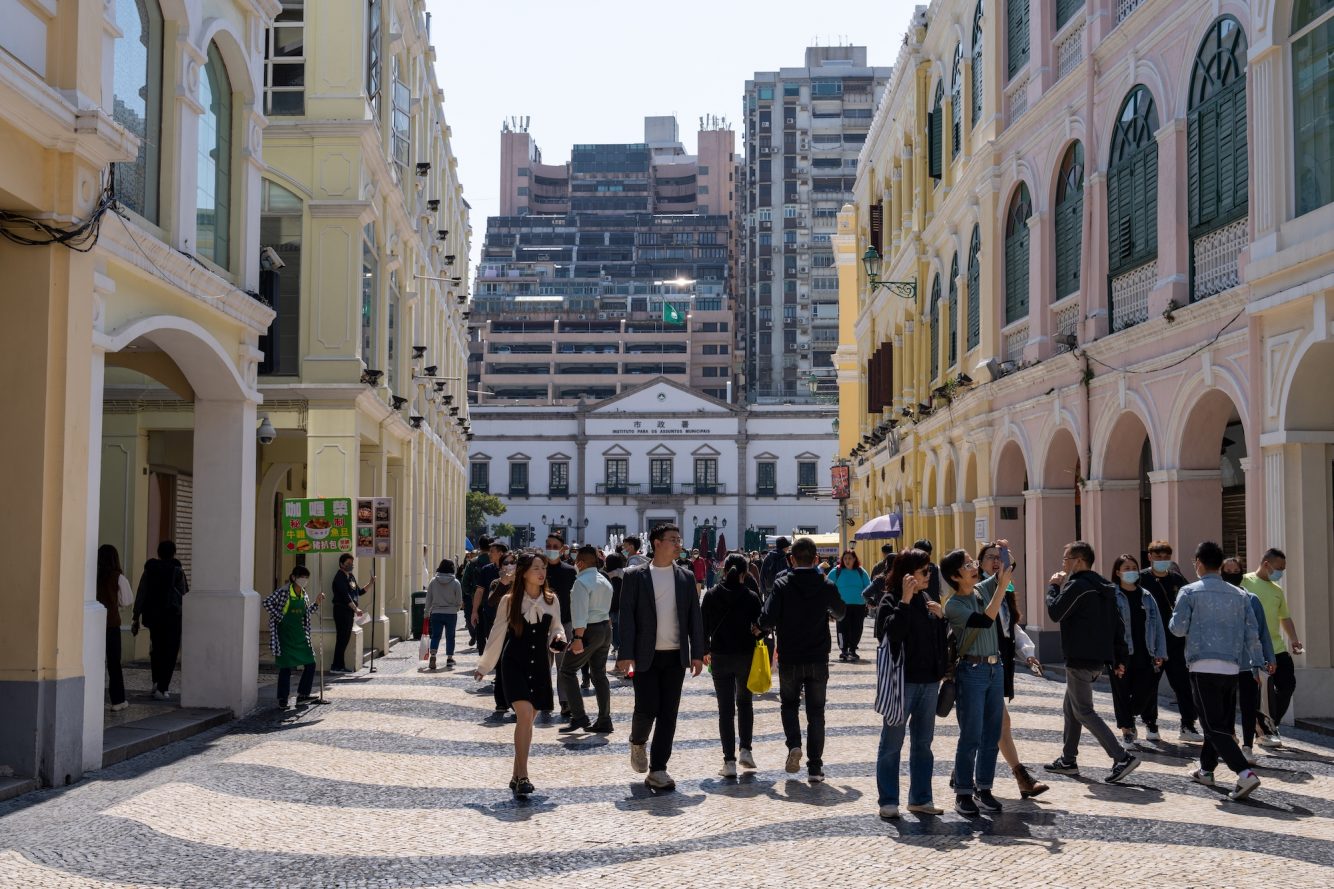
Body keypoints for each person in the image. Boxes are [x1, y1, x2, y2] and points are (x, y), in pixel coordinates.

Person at [1169, 540, 1271, 801]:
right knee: (1221, 723)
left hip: (1203, 665)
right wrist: (1258, 666)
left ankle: (1244, 773)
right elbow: (1253, 634)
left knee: (1213, 726)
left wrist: (1176, 616)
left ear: (1199, 564)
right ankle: (1206, 769)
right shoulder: (1240, 595)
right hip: (1233, 667)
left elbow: (1177, 629)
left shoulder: (1189, 592)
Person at [616, 523, 705, 791]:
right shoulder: (635, 576)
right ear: (656, 543)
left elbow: (694, 618)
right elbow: (627, 618)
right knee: (647, 707)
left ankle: (658, 769)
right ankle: (638, 741)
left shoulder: (686, 577)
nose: (679, 544)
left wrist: (698, 653)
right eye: (673, 540)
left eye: (679, 539)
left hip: (676, 656)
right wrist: (625, 654)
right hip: (646, 655)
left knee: (669, 713)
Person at [1043, 540, 1140, 783]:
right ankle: (1068, 760)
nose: (1063, 564)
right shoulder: (1104, 587)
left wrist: (1054, 587)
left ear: (1078, 561)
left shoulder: (1078, 586)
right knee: (1071, 708)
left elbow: (1056, 612)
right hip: (1098, 658)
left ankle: (1121, 757)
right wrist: (1119, 657)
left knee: (1084, 711)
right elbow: (1118, 624)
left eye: (1066, 559)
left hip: (1080, 657)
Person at [474, 551, 565, 799]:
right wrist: (484, 666)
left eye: (543, 568)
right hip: (514, 662)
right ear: (524, 572)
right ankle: (524, 776)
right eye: (536, 567)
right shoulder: (510, 600)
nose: (541, 572)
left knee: (528, 721)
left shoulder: (551, 600)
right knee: (524, 715)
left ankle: (515, 776)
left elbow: (556, 628)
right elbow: (497, 633)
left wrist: (558, 639)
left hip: (540, 666)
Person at [760, 537, 846, 783]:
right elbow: (840, 612)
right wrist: (827, 610)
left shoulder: (782, 584)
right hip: (818, 656)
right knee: (816, 712)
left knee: (789, 705)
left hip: (790, 656)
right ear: (816, 560)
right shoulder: (826, 584)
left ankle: (794, 745)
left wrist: (760, 627)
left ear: (791, 559)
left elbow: (768, 617)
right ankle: (815, 767)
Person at [874, 548, 948, 819]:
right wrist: (903, 602)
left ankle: (920, 798)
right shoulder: (890, 600)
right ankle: (888, 800)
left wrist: (941, 620)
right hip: (901, 683)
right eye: (924, 571)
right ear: (908, 575)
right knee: (892, 742)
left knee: (923, 744)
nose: (929, 575)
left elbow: (937, 640)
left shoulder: (928, 599)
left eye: (929, 570)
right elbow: (890, 634)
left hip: (929, 683)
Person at [975, 541, 1049, 799]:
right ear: (980, 563)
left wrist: (1028, 655)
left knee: (985, 726)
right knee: (1000, 724)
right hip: (979, 668)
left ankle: (962, 775)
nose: (996, 561)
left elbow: (1011, 628)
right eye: (990, 557)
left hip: (1000, 668)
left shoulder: (1005, 591)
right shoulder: (976, 591)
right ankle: (1021, 777)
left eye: (1000, 557)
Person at [940, 548, 1011, 815]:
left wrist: (1003, 550)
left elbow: (1008, 566)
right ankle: (963, 792)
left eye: (972, 562)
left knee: (992, 733)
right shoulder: (954, 605)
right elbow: (985, 620)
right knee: (970, 734)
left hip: (995, 668)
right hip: (972, 670)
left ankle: (985, 787)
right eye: (967, 564)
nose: (973, 566)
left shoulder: (981, 589)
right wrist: (1002, 588)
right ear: (955, 576)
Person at [702, 553, 764, 778]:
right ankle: (745, 749)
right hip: (745, 655)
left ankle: (729, 762)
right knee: (745, 704)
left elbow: (702, 626)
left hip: (720, 656)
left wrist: (704, 650)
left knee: (725, 710)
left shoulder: (711, 595)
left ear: (723, 570)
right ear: (745, 573)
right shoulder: (751, 596)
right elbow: (762, 626)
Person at [1241, 548, 1304, 748]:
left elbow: (1284, 617)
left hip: (1277, 648)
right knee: (1262, 692)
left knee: (1287, 685)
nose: (1281, 573)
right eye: (1279, 568)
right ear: (1266, 564)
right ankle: (1265, 728)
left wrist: (1294, 639)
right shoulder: (1244, 582)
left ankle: (1269, 724)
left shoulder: (1277, 590)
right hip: (1255, 649)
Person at [1140, 540, 1200, 741]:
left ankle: (1188, 725)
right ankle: (1150, 724)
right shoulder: (1141, 579)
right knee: (1150, 685)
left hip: (1175, 641)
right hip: (1152, 642)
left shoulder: (1177, 579)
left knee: (1182, 684)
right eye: (1158, 557)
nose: (1162, 561)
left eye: (1166, 557)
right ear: (1149, 557)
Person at [1108, 554, 1167, 745]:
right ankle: (1127, 730)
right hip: (1121, 654)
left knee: (1146, 690)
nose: (1131, 571)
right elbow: (1106, 627)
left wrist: (1160, 652)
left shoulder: (1147, 596)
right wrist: (1111, 656)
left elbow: (1158, 625)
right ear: (1117, 572)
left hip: (1145, 652)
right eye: (1126, 568)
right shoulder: (1111, 596)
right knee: (1121, 692)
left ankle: (1131, 715)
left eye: (1134, 567)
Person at [557, 545, 615, 734]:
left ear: (580, 563)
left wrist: (578, 637)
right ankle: (604, 719)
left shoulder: (581, 582)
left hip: (588, 631)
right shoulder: (604, 580)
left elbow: (580, 613)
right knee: (599, 674)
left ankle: (579, 717)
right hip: (605, 628)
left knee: (567, 670)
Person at [1224, 557, 1275, 764]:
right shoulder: (1217, 599)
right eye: (1228, 570)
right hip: (1225, 662)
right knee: (1225, 704)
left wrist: (1269, 657)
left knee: (1248, 706)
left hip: (1249, 663)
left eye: (1236, 570)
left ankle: (1247, 746)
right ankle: (1229, 737)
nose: (1232, 573)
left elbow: (1263, 631)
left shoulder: (1252, 599)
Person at [131, 540, 189, 699]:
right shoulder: (177, 570)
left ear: (159, 553)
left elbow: (141, 592)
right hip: (172, 616)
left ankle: (156, 682)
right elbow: (184, 593)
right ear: (174, 552)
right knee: (170, 651)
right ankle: (163, 688)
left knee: (156, 649)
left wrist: (136, 615)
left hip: (154, 617)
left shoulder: (150, 569)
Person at [264, 565, 324, 708]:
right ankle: (283, 699)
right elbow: (267, 603)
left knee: (310, 663)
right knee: (286, 667)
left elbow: (306, 613)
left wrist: (316, 603)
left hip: (300, 635)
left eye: (306, 578)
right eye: (301, 577)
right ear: (293, 577)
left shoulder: (304, 594)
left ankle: (303, 695)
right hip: (284, 635)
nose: (304, 580)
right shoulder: (283, 591)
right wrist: (280, 618)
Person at [96, 544, 134, 711]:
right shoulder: (117, 577)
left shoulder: (92, 575)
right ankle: (117, 700)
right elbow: (127, 600)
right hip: (111, 624)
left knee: (94, 662)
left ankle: (92, 698)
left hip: (93, 624)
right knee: (113, 663)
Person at [481, 554, 518, 721]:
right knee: (501, 667)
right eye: (506, 563)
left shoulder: (523, 584)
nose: (509, 565)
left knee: (518, 668)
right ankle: (501, 701)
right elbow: (491, 601)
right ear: (501, 566)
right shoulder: (496, 583)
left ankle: (517, 701)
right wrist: (503, 583)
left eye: (513, 563)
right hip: (501, 630)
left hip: (519, 630)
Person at [329, 553, 371, 673]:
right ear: (341, 564)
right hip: (341, 610)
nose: (350, 566)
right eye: (348, 564)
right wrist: (356, 609)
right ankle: (336, 666)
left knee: (345, 638)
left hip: (349, 612)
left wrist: (371, 583)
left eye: (352, 564)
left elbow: (358, 592)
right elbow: (345, 596)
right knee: (342, 638)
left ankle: (340, 665)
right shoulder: (339, 577)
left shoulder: (351, 576)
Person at [830, 549, 871, 662]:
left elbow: (869, 586)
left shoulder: (861, 572)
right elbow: (827, 585)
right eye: (845, 558)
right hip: (842, 606)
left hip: (859, 605)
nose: (847, 561)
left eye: (850, 558)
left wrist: (870, 600)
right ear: (842, 560)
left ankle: (852, 649)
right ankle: (843, 650)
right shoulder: (836, 571)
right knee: (842, 628)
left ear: (854, 559)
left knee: (856, 628)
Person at [424, 559, 463, 670]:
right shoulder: (456, 582)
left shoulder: (433, 581)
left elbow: (429, 598)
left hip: (436, 612)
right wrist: (456, 608)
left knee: (436, 635)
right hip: (451, 613)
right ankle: (449, 659)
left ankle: (433, 655)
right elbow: (459, 599)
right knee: (450, 636)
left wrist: (427, 611)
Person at [471, 542, 508, 657]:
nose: (489, 554)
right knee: (491, 640)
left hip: (507, 613)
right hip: (490, 612)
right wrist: (474, 611)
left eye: (492, 551)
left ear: (500, 553)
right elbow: (479, 591)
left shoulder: (511, 570)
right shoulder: (486, 570)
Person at [604, 552, 626, 659]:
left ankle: (616, 648)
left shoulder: (605, 575)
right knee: (618, 629)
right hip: (621, 606)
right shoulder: (623, 574)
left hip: (608, 607)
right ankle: (618, 649)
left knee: (612, 630)